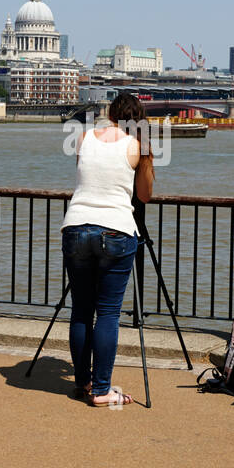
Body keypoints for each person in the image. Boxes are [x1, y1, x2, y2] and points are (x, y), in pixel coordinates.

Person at [59, 93, 155, 407]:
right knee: (109, 313)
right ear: (138, 118)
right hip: (115, 229)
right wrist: (147, 158)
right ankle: (102, 390)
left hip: (76, 226)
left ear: (110, 113)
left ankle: (84, 382)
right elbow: (144, 195)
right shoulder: (136, 145)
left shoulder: (85, 137)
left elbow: (87, 178)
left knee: (81, 309)